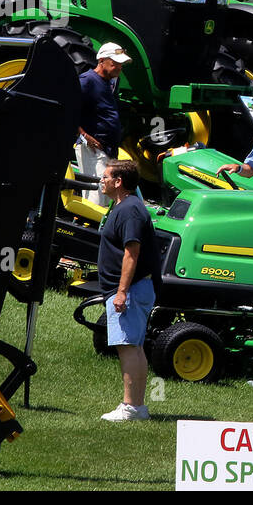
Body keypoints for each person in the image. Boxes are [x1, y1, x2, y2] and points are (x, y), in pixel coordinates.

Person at [98, 160, 159, 421]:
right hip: (131, 288)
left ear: (118, 181)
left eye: (105, 177)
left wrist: (122, 292)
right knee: (134, 346)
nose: (102, 181)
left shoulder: (130, 210)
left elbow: (131, 252)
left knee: (127, 346)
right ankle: (137, 407)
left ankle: (132, 408)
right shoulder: (124, 207)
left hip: (130, 290)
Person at [76, 42, 130, 206]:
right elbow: (68, 109)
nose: (119, 67)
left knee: (106, 199)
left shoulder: (110, 83)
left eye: (121, 64)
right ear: (101, 60)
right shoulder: (87, 81)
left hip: (107, 149)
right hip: (93, 148)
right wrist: (84, 136)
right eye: (115, 63)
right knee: (96, 199)